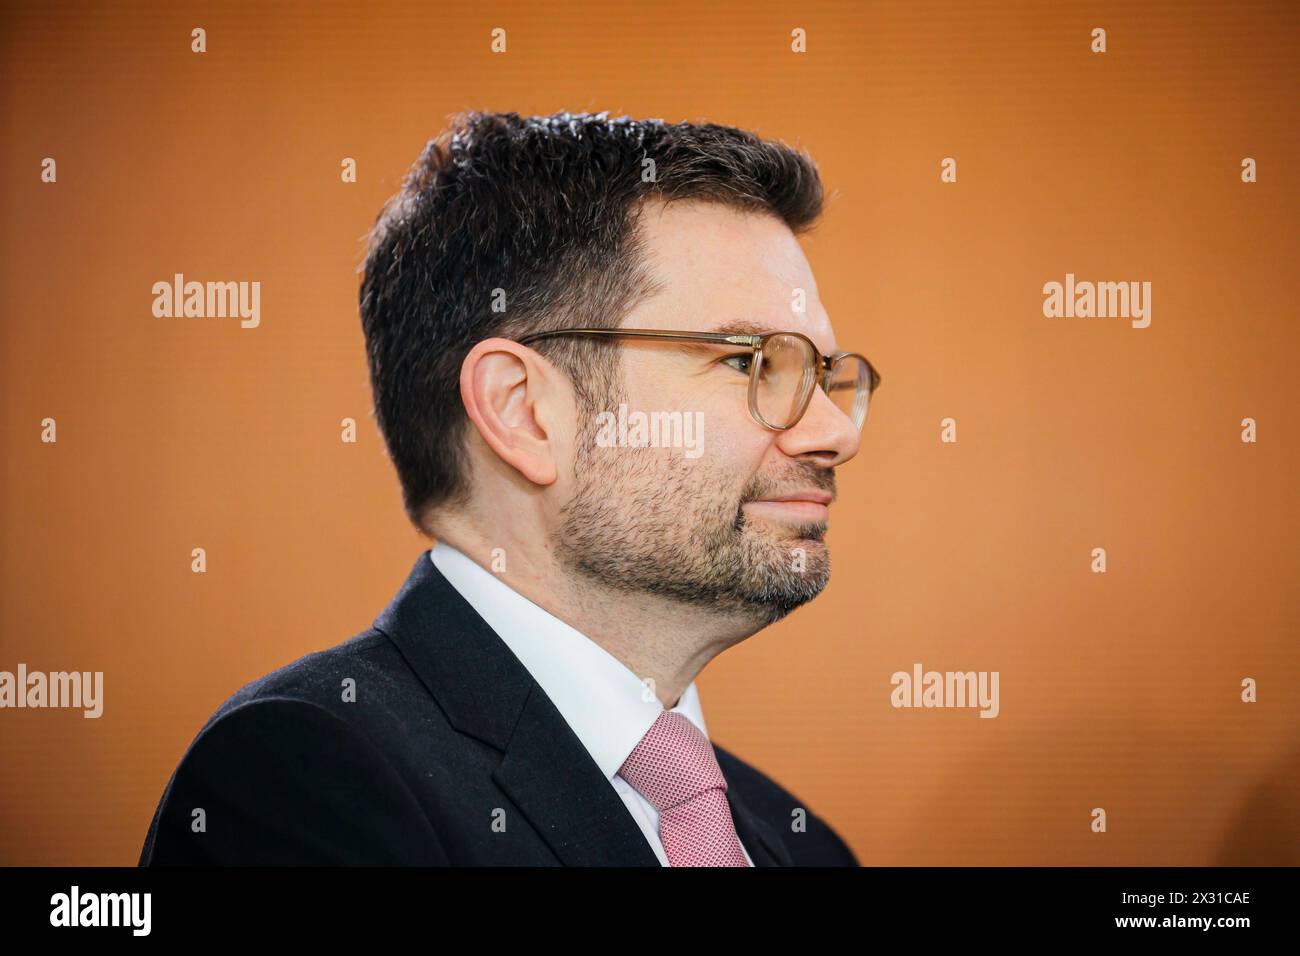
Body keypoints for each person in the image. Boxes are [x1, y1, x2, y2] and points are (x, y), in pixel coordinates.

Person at [139, 110, 880, 866]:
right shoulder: (302, 780)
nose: (835, 433)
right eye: (749, 361)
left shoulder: (804, 846)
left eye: (823, 374)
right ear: (522, 411)